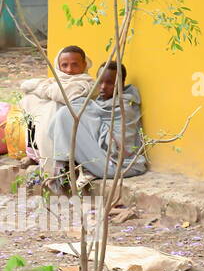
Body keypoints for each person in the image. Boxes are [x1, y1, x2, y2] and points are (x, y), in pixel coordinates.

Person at [49, 60, 147, 190]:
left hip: (116, 166)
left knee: (67, 114)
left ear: (121, 84)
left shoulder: (125, 107)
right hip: (98, 160)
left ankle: (62, 170)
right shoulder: (97, 102)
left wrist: (90, 119)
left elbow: (118, 148)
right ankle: (64, 167)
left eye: (110, 83)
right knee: (65, 113)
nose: (103, 87)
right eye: (100, 81)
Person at [18, 45, 96, 169]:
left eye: (75, 64)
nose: (69, 70)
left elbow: (65, 94)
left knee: (54, 106)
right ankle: (35, 155)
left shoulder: (87, 83)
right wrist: (47, 90)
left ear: (84, 64)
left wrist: (43, 89)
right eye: (64, 65)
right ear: (58, 66)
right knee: (30, 100)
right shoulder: (54, 82)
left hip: (78, 127)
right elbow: (26, 86)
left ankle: (60, 159)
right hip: (53, 113)